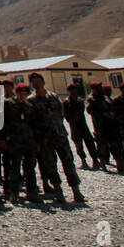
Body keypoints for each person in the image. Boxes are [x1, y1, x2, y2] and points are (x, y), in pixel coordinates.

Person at [29, 72, 85, 203]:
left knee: (68, 162)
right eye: (34, 82)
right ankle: (58, 191)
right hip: (44, 139)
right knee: (50, 165)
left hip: (59, 136)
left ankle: (76, 190)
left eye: (38, 81)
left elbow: (61, 114)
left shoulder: (54, 97)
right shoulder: (31, 101)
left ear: (43, 82)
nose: (36, 83)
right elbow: (31, 122)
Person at [63, 83, 98, 169]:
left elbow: (83, 111)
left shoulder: (80, 101)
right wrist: (71, 121)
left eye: (74, 89)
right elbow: (65, 115)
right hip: (74, 127)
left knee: (90, 143)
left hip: (83, 125)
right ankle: (83, 161)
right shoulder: (66, 102)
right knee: (78, 145)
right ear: (68, 91)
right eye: (71, 90)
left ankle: (95, 160)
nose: (73, 91)